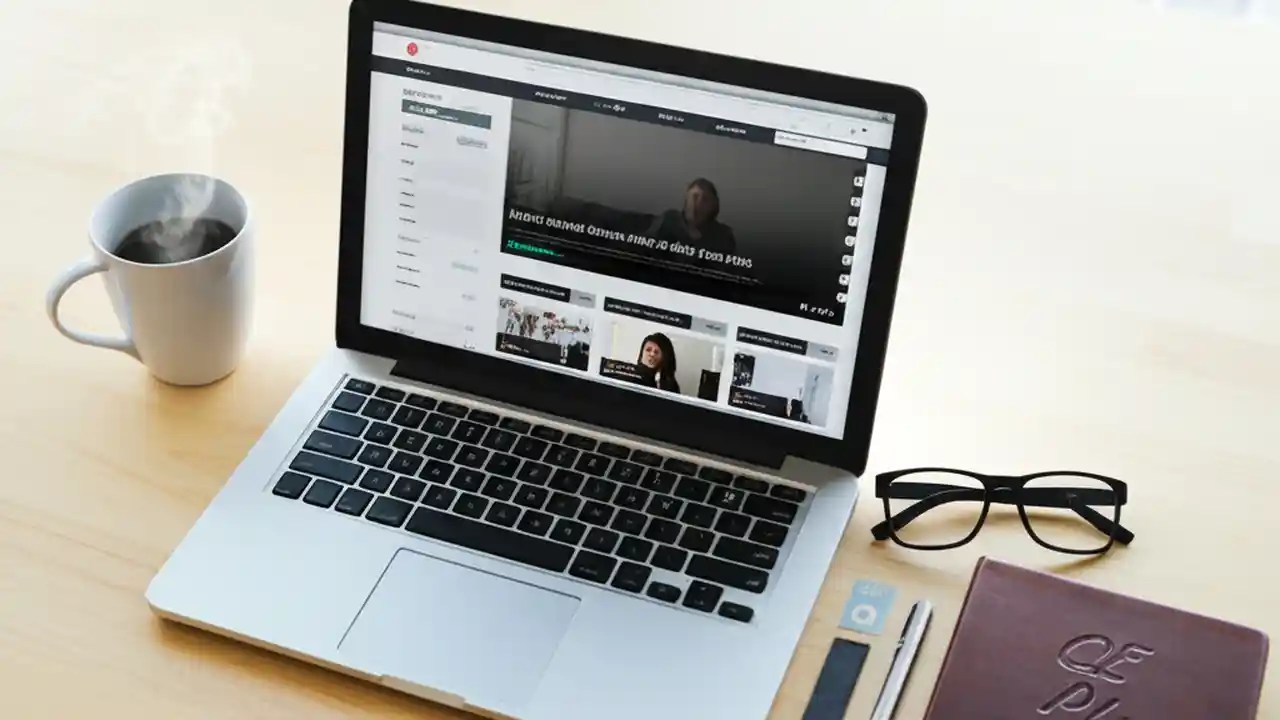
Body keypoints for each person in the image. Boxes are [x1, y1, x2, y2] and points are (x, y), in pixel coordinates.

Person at [649, 178, 736, 255]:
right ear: (687, 198)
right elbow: (644, 247)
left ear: (713, 205)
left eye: (705, 199)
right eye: (695, 196)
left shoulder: (723, 235)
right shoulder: (669, 219)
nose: (698, 203)